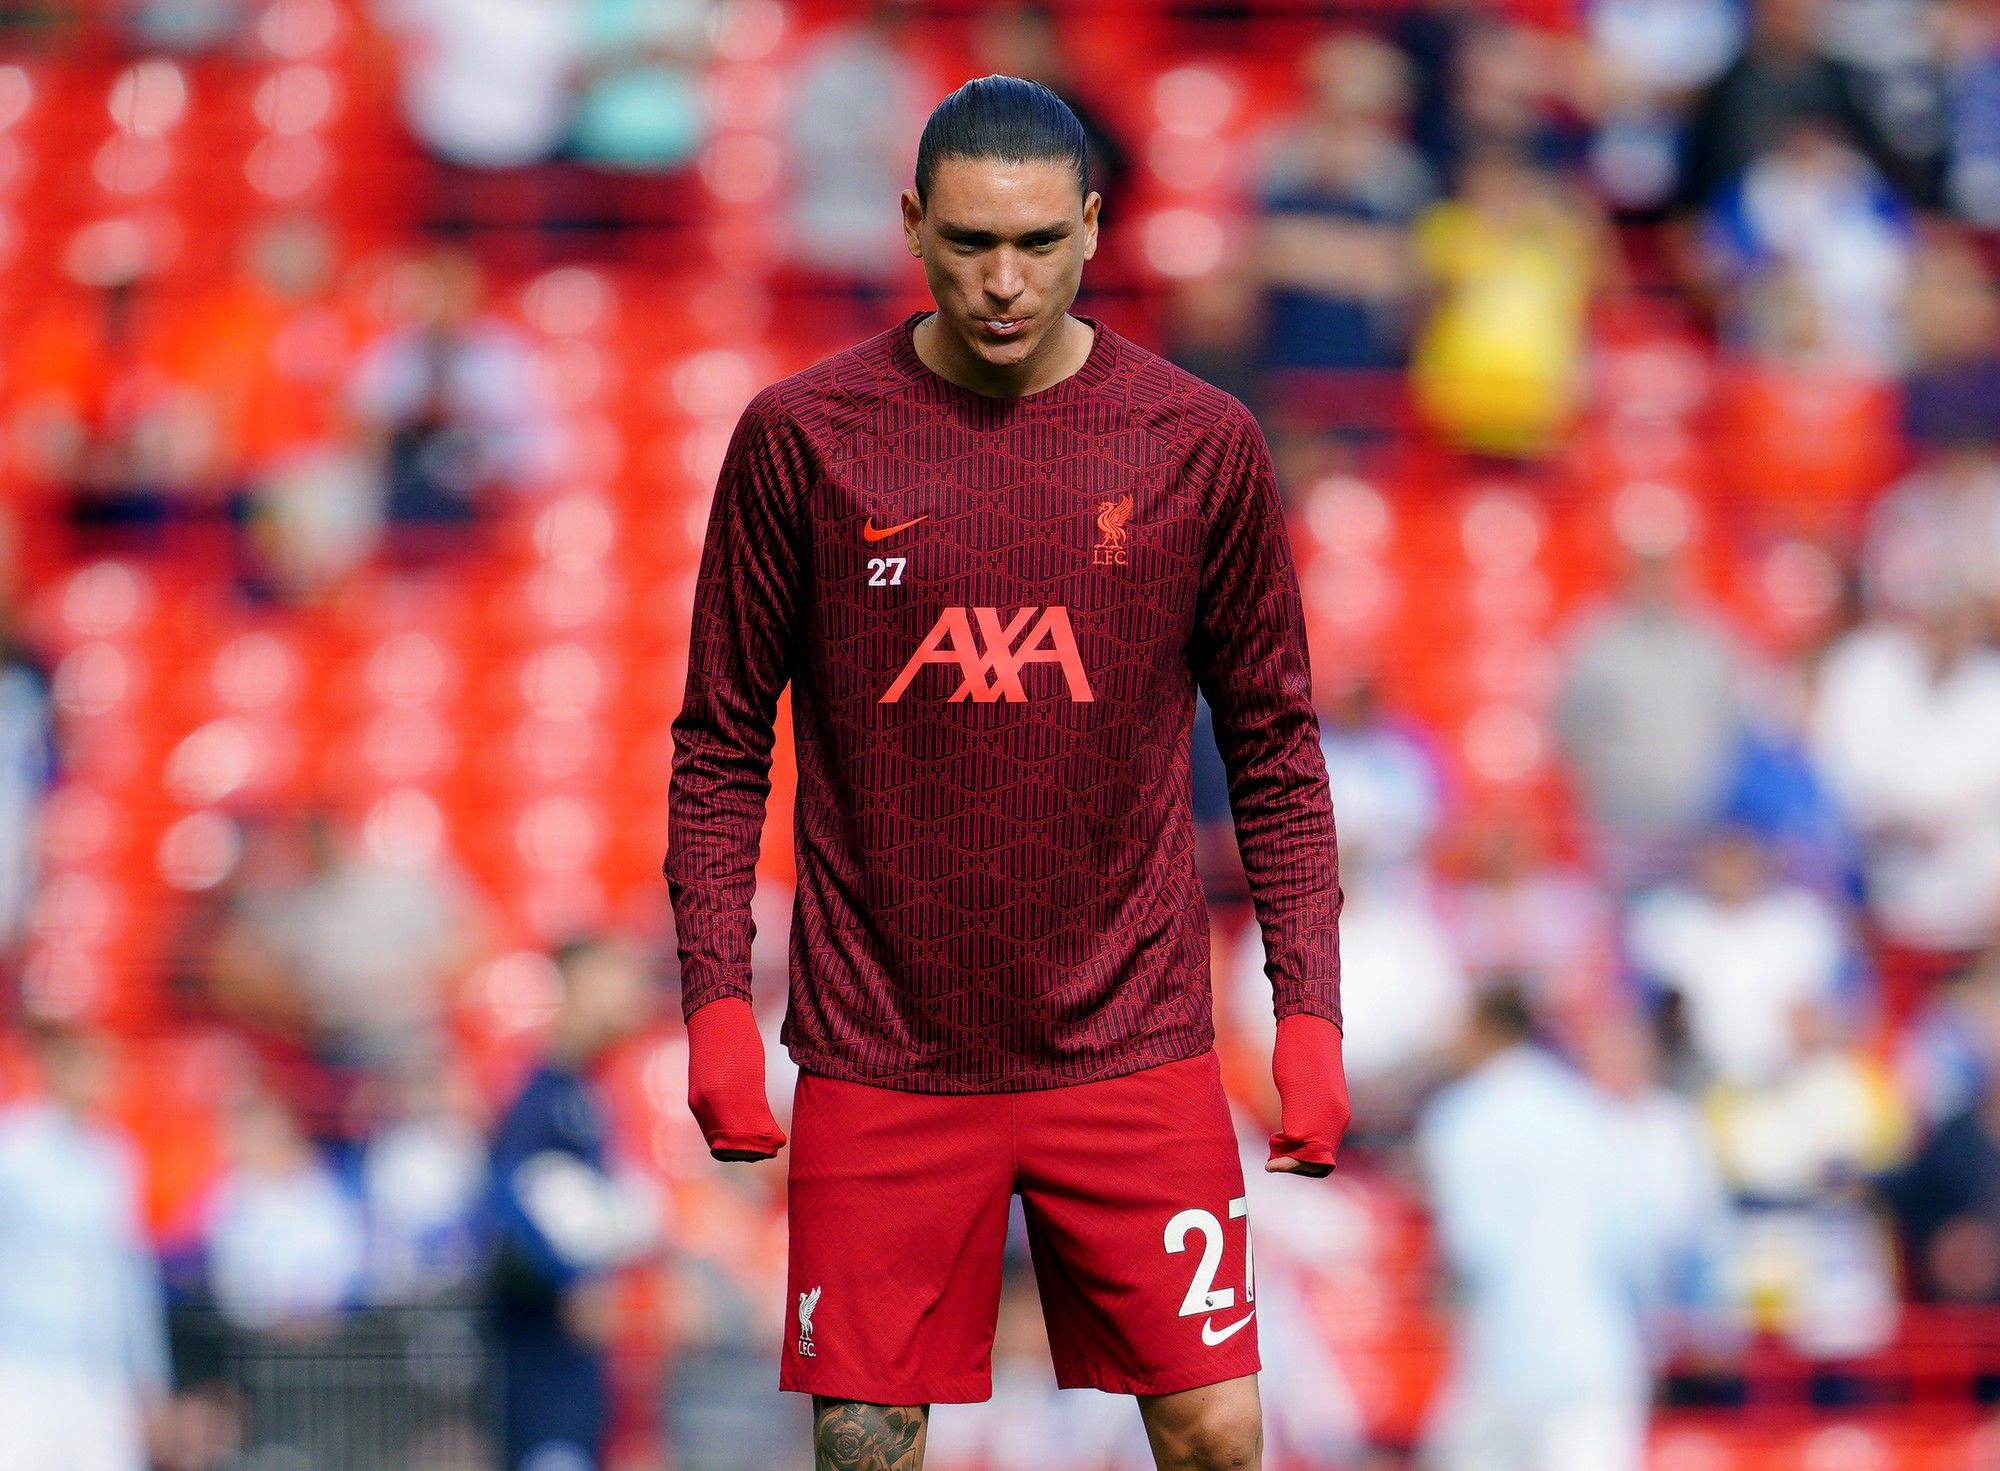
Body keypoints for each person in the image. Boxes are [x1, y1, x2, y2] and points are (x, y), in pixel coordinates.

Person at [665, 77, 1350, 1470]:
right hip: (885, 1045)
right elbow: (720, 739)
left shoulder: (1197, 442)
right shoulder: (804, 438)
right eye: (971, 240)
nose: (1002, 279)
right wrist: (719, 1006)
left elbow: (1274, 747)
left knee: (1220, 1426)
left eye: (1037, 242)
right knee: (867, 1440)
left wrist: (1311, 1014)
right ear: (912, 222)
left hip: (1133, 1033)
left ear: (1094, 228)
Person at [1417, 990, 1650, 1471]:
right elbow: (1631, 1241)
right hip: (1597, 1353)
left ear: (1487, 1030)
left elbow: (1471, 1248)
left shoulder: (1462, 1117)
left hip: (1505, 1357)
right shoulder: (1587, 1109)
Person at [486, 935, 662, 1471]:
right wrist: (566, 1280)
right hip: (544, 1346)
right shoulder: (541, 1093)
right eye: (611, 980)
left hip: (581, 1348)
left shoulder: (589, 1087)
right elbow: (505, 1201)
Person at [0, 1021, 170, 1471]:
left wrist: (151, 1377)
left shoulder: (116, 1155)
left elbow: (130, 1272)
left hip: (101, 1374)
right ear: (57, 1068)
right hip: (21, 1369)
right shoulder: (12, 1149)